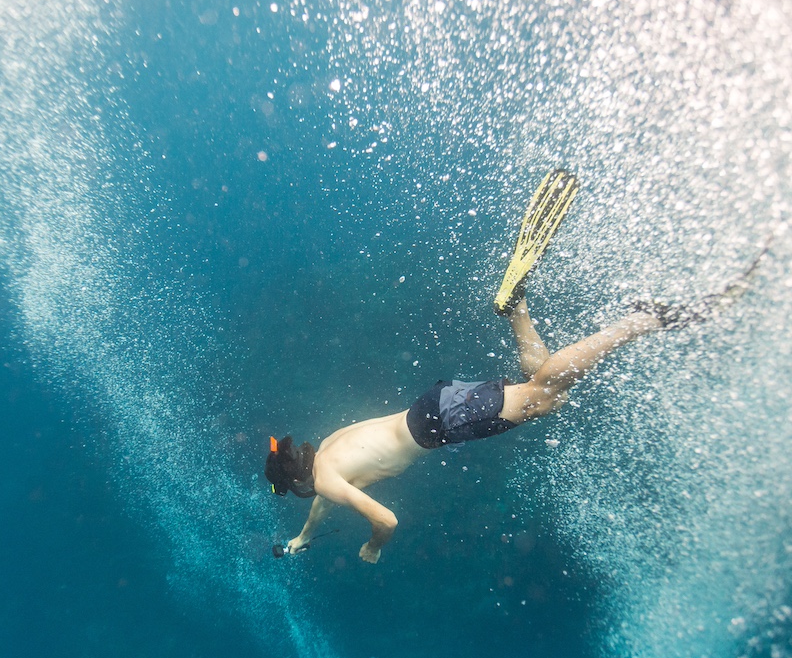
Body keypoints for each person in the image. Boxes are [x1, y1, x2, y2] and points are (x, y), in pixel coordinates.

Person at [264, 169, 761, 563]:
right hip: (431, 407)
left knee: (545, 392)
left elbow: (387, 519)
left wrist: (374, 544)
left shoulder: (328, 480)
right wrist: (300, 540)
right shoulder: (327, 452)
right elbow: (323, 503)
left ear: (299, 481)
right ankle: (514, 306)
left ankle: (639, 320)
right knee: (544, 395)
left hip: (440, 424)